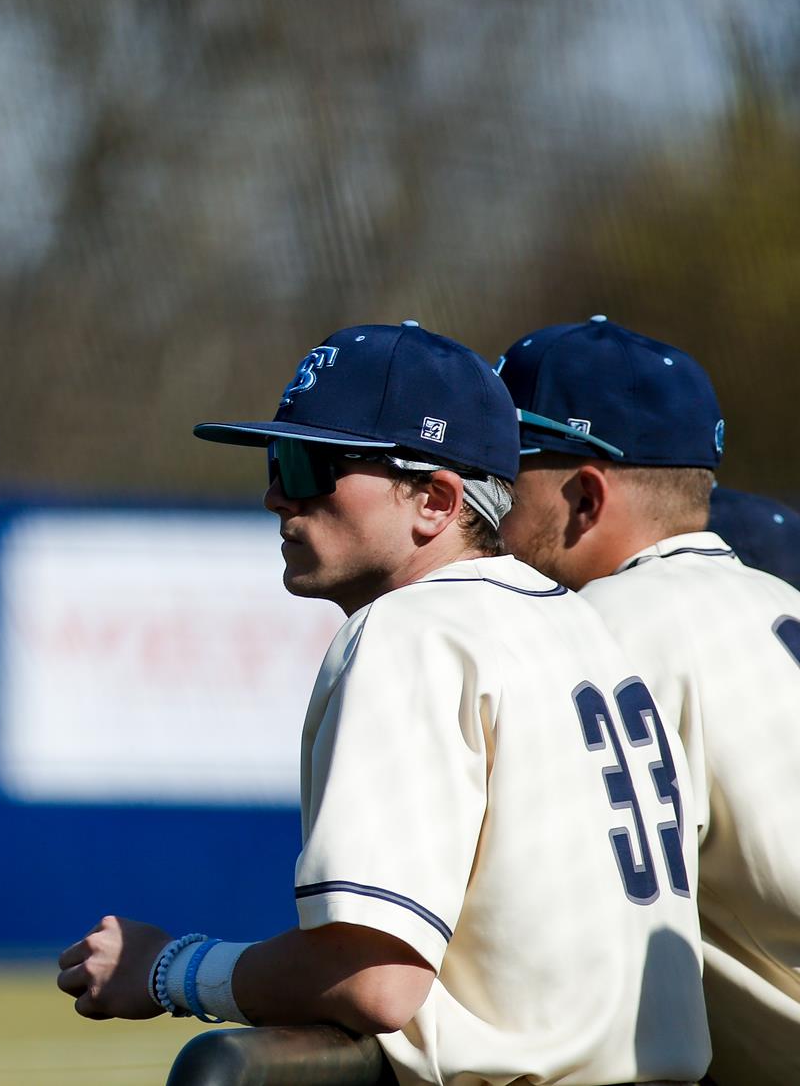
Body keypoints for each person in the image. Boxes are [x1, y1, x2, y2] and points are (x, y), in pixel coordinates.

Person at [56, 320, 710, 1086]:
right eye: (277, 459)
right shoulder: (584, 625)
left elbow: (377, 978)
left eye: (311, 464)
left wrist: (169, 968)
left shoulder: (411, 630)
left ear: (435, 499)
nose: (276, 494)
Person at [497, 316, 800, 1086]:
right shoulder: (774, 599)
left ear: (586, 497)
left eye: (501, 476)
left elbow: (555, 936)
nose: (481, 502)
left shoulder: (598, 628)